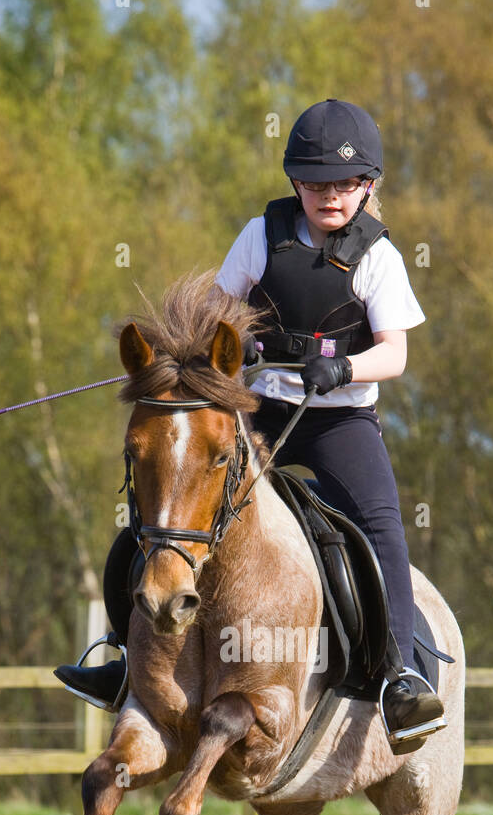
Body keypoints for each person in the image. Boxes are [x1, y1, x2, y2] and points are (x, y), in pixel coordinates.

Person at [55, 98, 445, 751]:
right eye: (317, 183)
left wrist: (344, 369)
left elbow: (396, 353)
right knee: (162, 504)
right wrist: (227, 348)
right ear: (296, 183)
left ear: (367, 186)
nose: (331, 197)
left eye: (346, 185)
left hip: (339, 420)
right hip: (257, 410)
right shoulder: (260, 236)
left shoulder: (380, 257)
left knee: (381, 524)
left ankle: (399, 678)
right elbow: (216, 314)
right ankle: (126, 659)